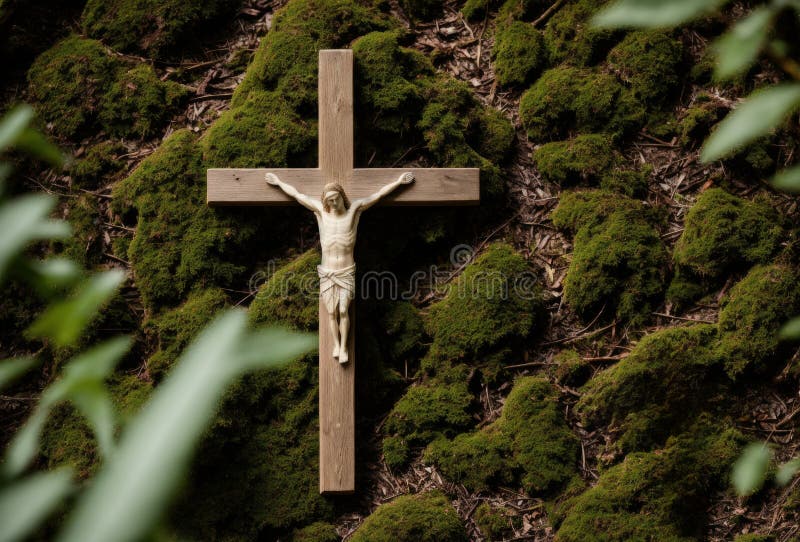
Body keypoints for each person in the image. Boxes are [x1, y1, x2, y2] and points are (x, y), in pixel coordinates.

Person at [266, 171, 414, 363]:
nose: (332, 204)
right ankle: (336, 345)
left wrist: (398, 182)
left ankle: (344, 347)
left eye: (335, 199)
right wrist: (278, 182)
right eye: (329, 201)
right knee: (331, 312)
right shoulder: (321, 212)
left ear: (341, 197)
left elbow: (378, 195)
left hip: (346, 271)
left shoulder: (354, 211)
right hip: (327, 272)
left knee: (343, 311)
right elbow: (297, 195)